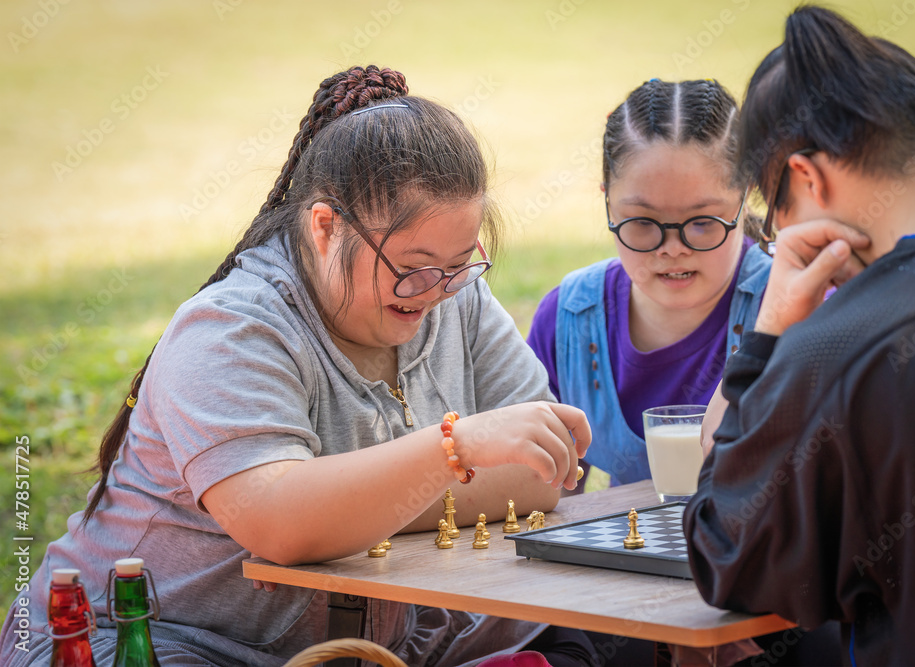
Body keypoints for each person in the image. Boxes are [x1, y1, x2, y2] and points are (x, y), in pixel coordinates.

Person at [1, 66, 593, 667]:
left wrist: (345, 511)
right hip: (159, 641)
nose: (437, 289)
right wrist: (456, 450)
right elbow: (281, 527)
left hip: (373, 644)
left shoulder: (453, 294)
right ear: (325, 228)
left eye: (462, 262)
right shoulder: (233, 328)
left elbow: (545, 470)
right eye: (413, 265)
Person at [684, 6, 915, 666]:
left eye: (778, 222)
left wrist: (769, 339)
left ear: (809, 177)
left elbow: (727, 552)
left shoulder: (846, 345)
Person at [526, 78, 771, 488]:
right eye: (642, 222)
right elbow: (544, 502)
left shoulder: (792, 307)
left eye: (702, 222)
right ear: (607, 200)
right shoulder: (568, 319)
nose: (673, 249)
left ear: (745, 200)